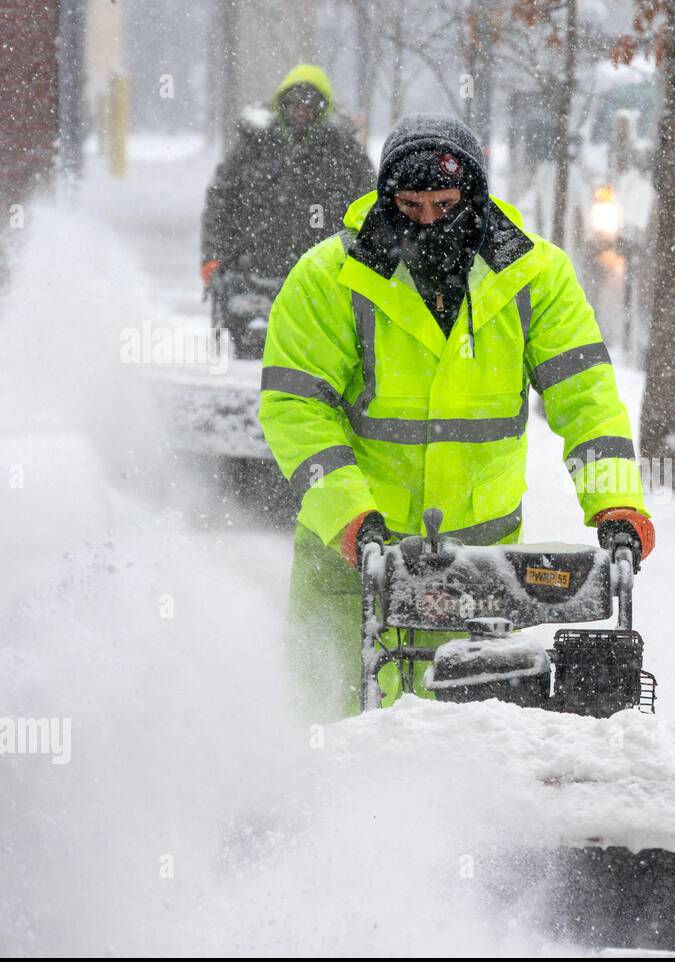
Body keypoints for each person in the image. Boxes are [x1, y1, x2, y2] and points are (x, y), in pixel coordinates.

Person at [259, 113, 652, 718]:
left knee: (463, 744)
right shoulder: (329, 280)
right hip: (352, 560)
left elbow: (586, 397)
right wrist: (348, 515)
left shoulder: (535, 278)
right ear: (386, 198)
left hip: (478, 577)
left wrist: (615, 501)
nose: (428, 220)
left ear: (474, 197)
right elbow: (296, 407)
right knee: (329, 731)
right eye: (410, 205)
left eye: (444, 203)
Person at [200, 64, 374, 294]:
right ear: (281, 106)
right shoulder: (253, 145)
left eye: (308, 108)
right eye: (293, 106)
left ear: (322, 111)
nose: (300, 114)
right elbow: (221, 201)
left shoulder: (345, 154)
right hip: (251, 280)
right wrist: (213, 256)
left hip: (321, 283)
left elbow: (369, 208)